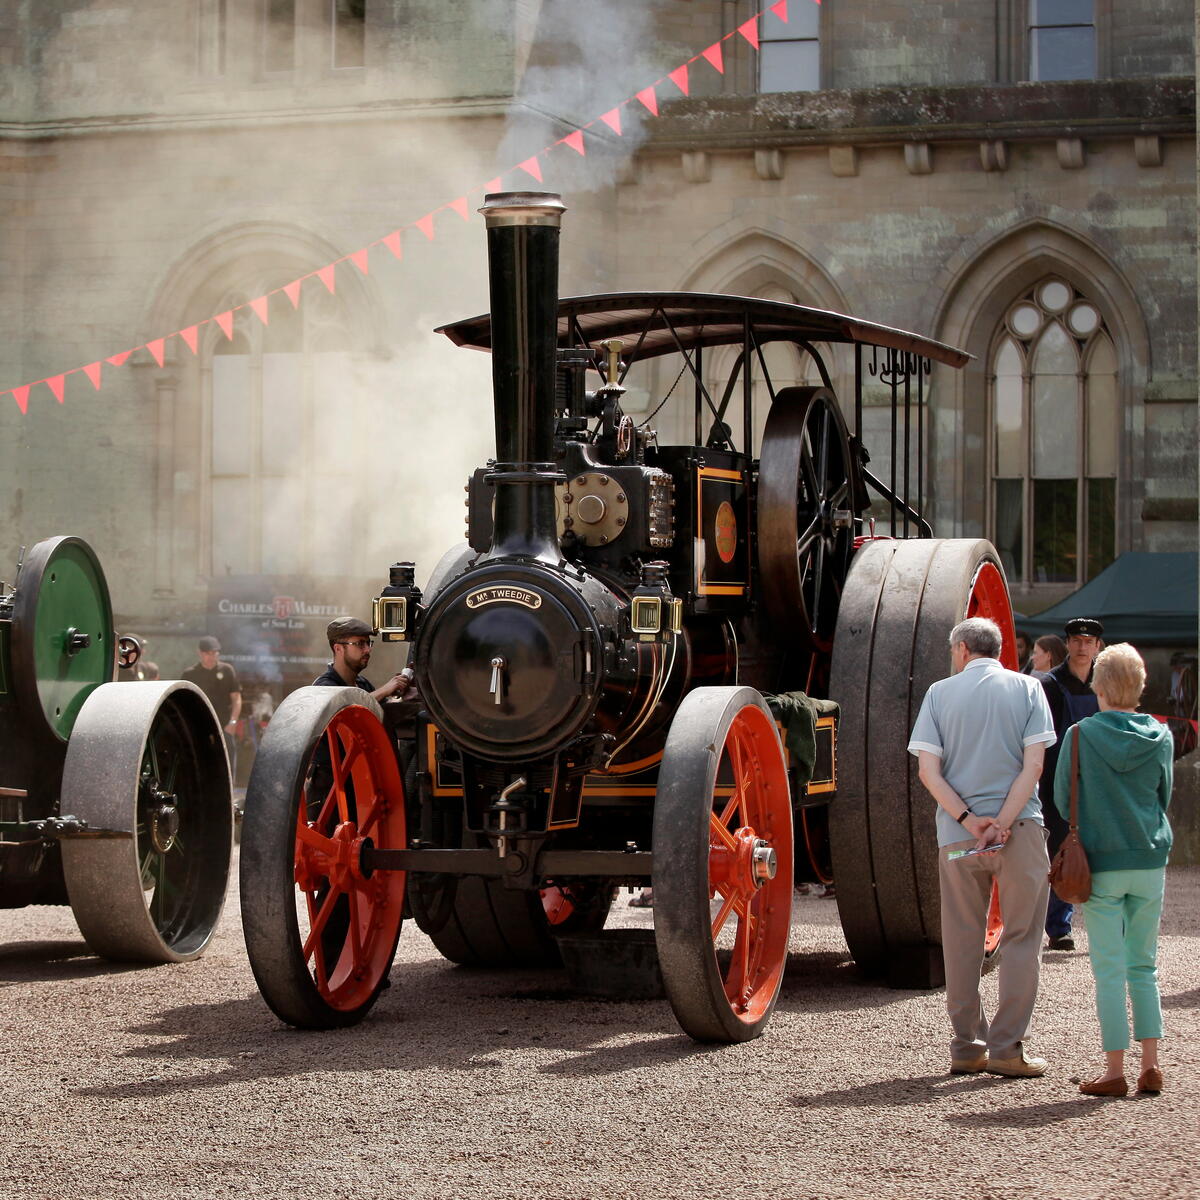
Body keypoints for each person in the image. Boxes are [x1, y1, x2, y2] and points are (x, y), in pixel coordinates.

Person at [908, 616, 1056, 1078]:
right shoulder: (1029, 689)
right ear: (996, 649)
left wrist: (972, 822)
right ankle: (1008, 1048)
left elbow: (928, 773)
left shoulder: (938, 693)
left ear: (962, 650)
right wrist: (1003, 823)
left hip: (958, 836)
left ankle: (967, 1046)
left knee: (960, 939)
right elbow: (1033, 768)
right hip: (1021, 831)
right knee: (1021, 938)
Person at [1055, 644, 1173, 1097]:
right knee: (1144, 966)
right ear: (1139, 686)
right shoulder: (1161, 736)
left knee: (1108, 969)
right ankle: (1151, 1063)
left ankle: (1114, 1070)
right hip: (1149, 856)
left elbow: (1065, 802)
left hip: (1101, 861)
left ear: (1098, 687)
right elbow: (1163, 797)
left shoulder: (1081, 734)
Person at [1039, 617, 1103, 950]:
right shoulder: (1049, 685)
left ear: (1097, 646)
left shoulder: (1105, 683)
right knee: (1060, 851)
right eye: (1076, 640)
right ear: (1067, 643)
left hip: (1096, 778)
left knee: (1097, 853)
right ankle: (1058, 926)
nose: (1082, 646)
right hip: (1056, 778)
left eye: (1088, 641)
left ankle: (1101, 923)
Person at [313, 617, 411, 701]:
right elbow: (345, 711)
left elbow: (384, 711)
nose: (368, 650)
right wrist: (384, 691)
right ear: (338, 649)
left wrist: (404, 691)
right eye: (360, 644)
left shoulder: (362, 684)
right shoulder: (324, 687)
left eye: (368, 643)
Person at [182, 635, 242, 771]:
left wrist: (233, 723)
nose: (211, 657)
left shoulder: (227, 671)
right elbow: (184, 702)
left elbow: (236, 698)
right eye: (207, 653)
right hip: (199, 727)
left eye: (214, 653)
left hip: (224, 725)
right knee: (201, 765)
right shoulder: (190, 674)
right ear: (199, 653)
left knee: (226, 766)